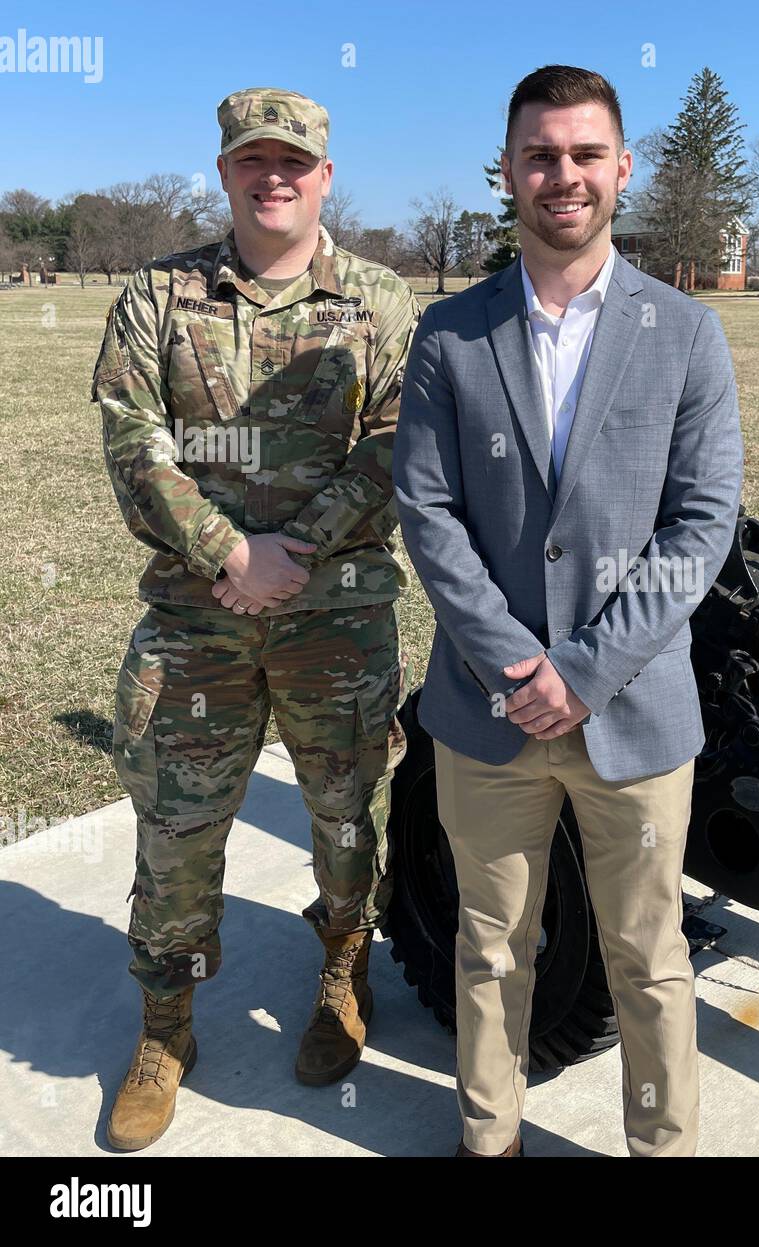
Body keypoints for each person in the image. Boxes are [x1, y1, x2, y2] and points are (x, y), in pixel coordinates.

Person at [394, 64, 744, 1157]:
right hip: (484, 715)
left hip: (633, 718)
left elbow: (700, 529)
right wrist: (514, 664)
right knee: (492, 947)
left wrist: (583, 670)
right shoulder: (449, 336)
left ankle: (661, 1146)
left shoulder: (686, 334)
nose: (564, 176)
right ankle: (488, 1139)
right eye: (540, 155)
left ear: (622, 169)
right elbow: (428, 511)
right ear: (506, 171)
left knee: (647, 955)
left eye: (586, 154)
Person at [94, 87, 418, 1150]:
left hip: (339, 621)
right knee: (176, 831)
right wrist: (233, 553)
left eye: (293, 161)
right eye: (252, 160)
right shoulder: (158, 294)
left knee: (341, 816)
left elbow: (395, 446)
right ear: (224, 171)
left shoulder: (379, 299)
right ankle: (166, 1025)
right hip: (199, 616)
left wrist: (298, 551)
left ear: (325, 175)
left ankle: (340, 968)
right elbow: (134, 443)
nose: (271, 176)